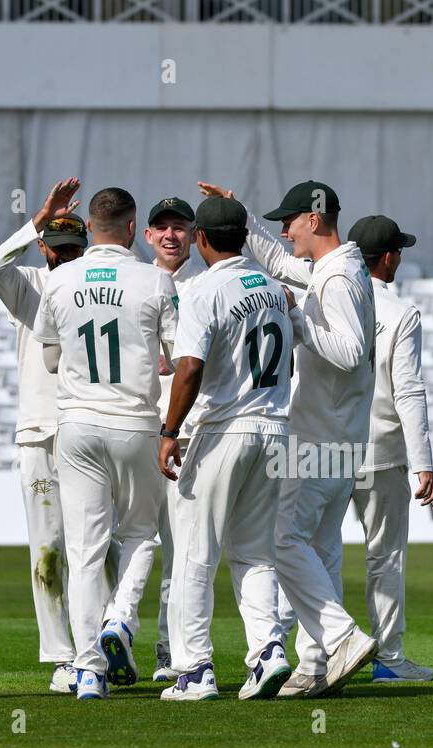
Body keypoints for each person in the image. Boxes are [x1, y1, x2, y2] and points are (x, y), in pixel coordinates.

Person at [198, 178, 379, 698]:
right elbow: (279, 264)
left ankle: (340, 637)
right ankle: (319, 666)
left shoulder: (338, 278)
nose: (284, 230)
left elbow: (348, 353)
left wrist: (297, 318)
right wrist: (243, 214)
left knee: (281, 542)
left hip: (319, 437)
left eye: (290, 221)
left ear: (315, 220)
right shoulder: (337, 267)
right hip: (342, 437)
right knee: (319, 551)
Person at [32, 187, 176, 702]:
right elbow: (180, 358)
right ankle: (120, 619)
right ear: (134, 228)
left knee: (85, 551)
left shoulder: (60, 279)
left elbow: (50, 359)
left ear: (90, 228)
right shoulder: (155, 278)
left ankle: (88, 670)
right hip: (135, 421)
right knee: (141, 535)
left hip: (76, 424)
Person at [157, 196, 297, 702]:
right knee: (256, 554)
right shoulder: (275, 291)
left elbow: (189, 368)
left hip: (225, 429)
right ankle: (268, 652)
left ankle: (194, 670)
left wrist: (169, 430)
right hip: (275, 429)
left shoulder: (203, 289)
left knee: (195, 554)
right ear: (243, 236)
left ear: (200, 238)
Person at [0, 178, 87, 694]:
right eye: (59, 247)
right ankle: (63, 657)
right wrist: (37, 217)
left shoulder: (96, 282)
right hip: (37, 433)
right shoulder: (29, 283)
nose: (65, 256)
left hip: (89, 426)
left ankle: (101, 643)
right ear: (45, 247)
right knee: (48, 548)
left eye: (74, 248)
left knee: (99, 544)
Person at [347, 215, 433, 682]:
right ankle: (388, 657)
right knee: (384, 556)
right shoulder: (401, 313)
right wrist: (423, 464)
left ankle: (311, 653)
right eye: (399, 251)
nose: (400, 258)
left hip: (323, 447)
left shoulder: (322, 297)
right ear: (387, 257)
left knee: (310, 553)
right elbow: (409, 392)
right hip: (380, 452)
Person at [144, 196, 204, 683]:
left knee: (179, 546)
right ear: (146, 236)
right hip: (135, 430)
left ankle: (169, 651)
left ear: (193, 235)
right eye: (161, 228)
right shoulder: (139, 285)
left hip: (183, 434)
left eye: (179, 228)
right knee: (122, 545)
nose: (170, 235)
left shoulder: (205, 286)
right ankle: (101, 644)